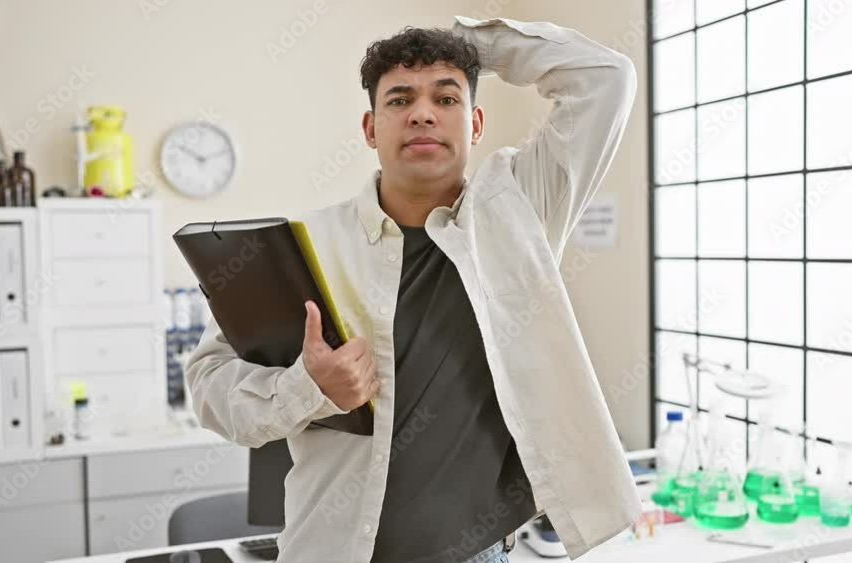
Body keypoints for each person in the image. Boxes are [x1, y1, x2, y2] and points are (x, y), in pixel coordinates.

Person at [185, 14, 640, 563]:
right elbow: (208, 385)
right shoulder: (303, 245)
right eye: (399, 100)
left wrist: (472, 45)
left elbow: (606, 78)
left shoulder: (522, 212)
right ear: (371, 129)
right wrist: (310, 386)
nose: (422, 112)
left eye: (445, 99)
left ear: (475, 124)